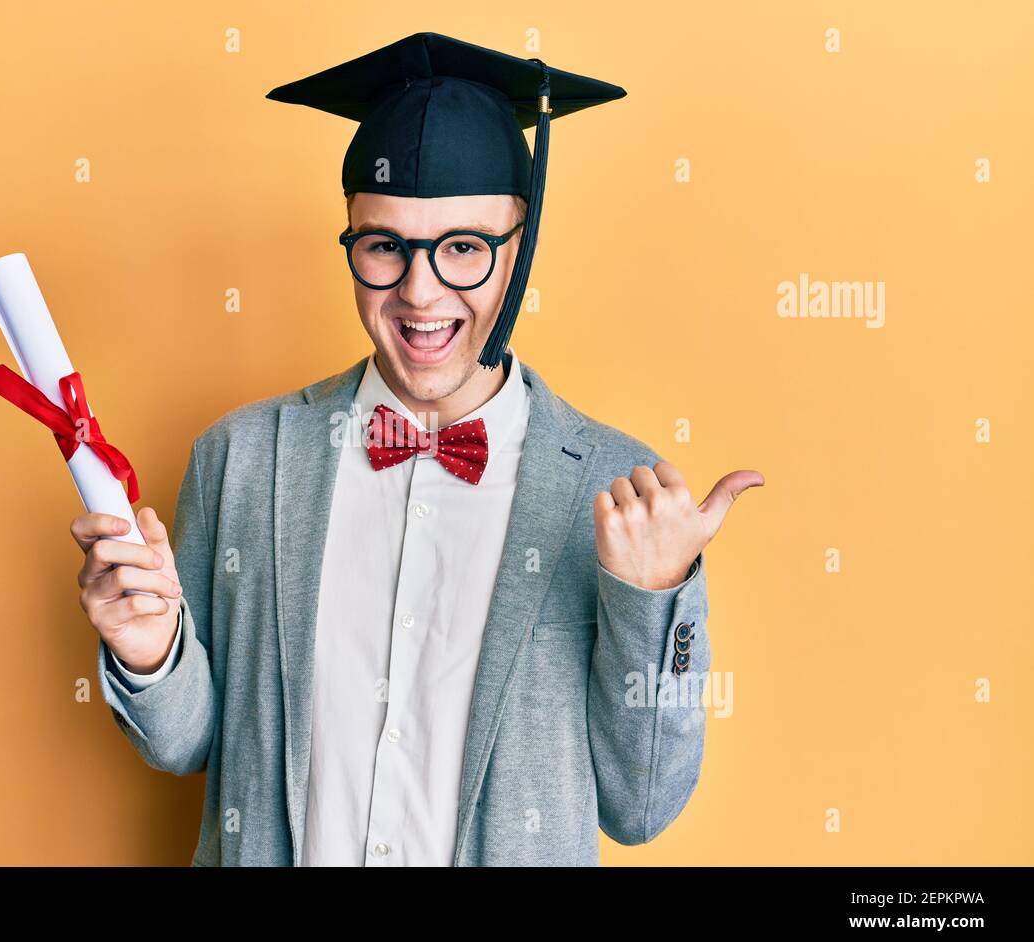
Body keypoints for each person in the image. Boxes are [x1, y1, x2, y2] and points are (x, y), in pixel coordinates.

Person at [69, 32, 763, 866]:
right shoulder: (242, 458)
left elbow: (640, 807)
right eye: (384, 245)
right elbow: (185, 746)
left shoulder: (622, 495)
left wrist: (653, 601)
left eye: (464, 248)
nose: (420, 292)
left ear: (520, 247)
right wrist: (147, 652)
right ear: (352, 241)